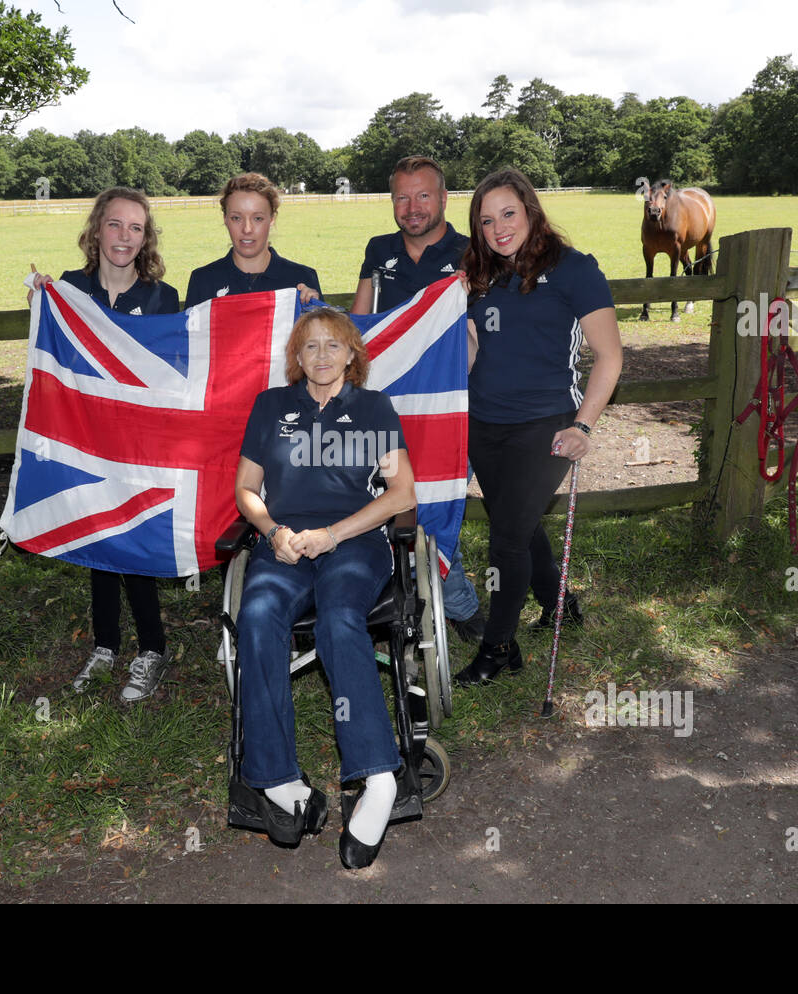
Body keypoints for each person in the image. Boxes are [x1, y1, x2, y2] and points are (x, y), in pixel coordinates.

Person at [231, 308, 416, 869]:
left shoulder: (373, 408)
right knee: (257, 617)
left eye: (333, 345)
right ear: (297, 356)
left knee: (340, 619)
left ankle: (379, 778)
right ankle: (282, 784)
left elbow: (402, 494)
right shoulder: (271, 405)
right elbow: (246, 489)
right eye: (309, 347)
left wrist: (333, 534)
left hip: (352, 540)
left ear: (351, 353)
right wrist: (272, 531)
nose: (321, 356)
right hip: (286, 542)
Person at [455, 169, 622, 686]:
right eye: (486, 220)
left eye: (508, 213)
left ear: (530, 210)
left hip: (547, 424)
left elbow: (610, 357)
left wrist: (584, 427)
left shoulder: (575, 270)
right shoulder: (479, 275)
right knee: (518, 523)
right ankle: (559, 602)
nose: (499, 228)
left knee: (505, 539)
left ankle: (499, 648)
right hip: (483, 424)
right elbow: (474, 351)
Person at [29, 187, 180, 704]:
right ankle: (106, 644)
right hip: (88, 440)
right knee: (99, 538)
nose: (124, 236)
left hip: (140, 442)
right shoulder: (70, 290)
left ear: (146, 238)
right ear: (97, 230)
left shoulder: (164, 298)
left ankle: (153, 647)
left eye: (135, 228)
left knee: (134, 536)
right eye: (115, 225)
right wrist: (41, 303)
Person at [350, 155, 485, 643]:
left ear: (444, 198)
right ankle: (398, 599)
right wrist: (311, 309)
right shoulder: (378, 249)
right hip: (388, 408)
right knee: (388, 501)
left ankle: (456, 603)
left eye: (423, 195)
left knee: (429, 503)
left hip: (445, 408)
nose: (412, 207)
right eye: (402, 197)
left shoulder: (471, 252)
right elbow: (359, 328)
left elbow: (478, 337)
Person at [184, 172, 321, 308]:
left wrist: (317, 315)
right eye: (236, 218)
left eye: (258, 218)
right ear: (225, 219)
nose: (247, 229)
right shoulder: (203, 280)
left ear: (272, 219)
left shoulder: (302, 278)